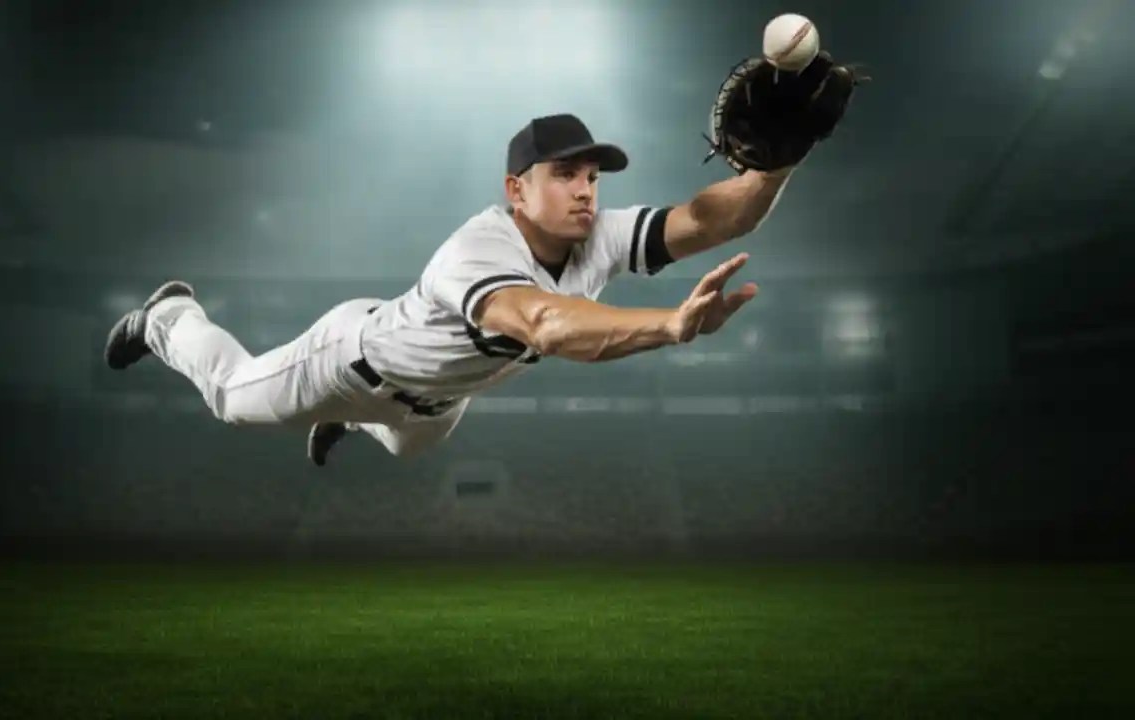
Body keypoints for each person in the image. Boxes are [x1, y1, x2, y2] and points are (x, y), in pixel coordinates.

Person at [104, 113, 797, 466]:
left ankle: (350, 422)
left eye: (592, 175)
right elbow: (550, 329)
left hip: (438, 402)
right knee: (229, 398)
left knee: (409, 449)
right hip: (349, 358)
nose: (586, 188)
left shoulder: (602, 233)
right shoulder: (478, 247)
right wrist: (671, 326)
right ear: (516, 189)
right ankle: (170, 315)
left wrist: (781, 158)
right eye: (565, 174)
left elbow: (712, 219)